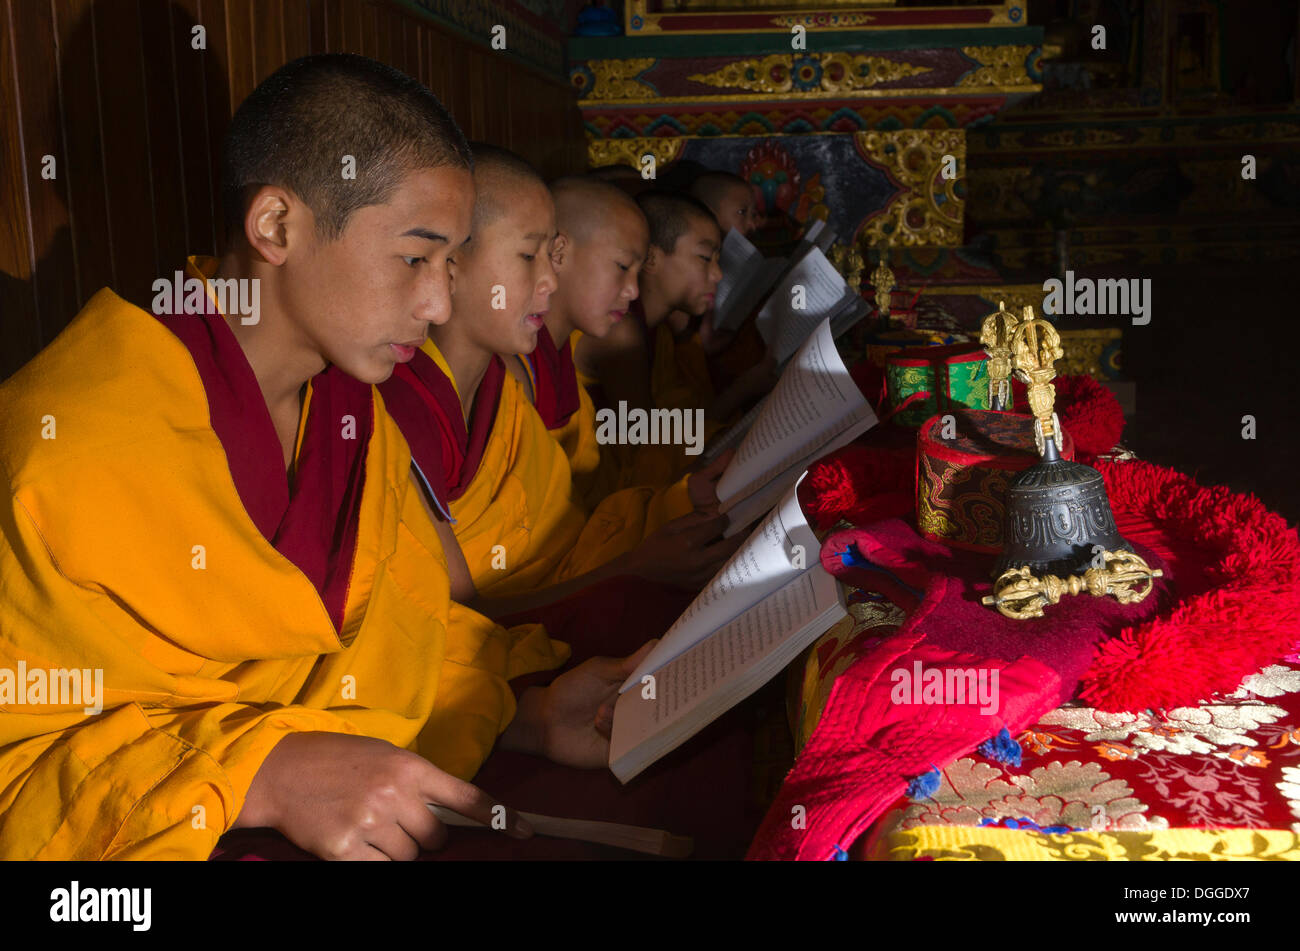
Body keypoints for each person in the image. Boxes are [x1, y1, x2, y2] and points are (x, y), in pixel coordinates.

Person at [0, 54, 653, 861]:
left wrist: (532, 713)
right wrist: (258, 772)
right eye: (414, 257)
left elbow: (404, 640)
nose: (440, 302)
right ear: (276, 225)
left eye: (451, 263)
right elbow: (21, 771)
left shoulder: (353, 415)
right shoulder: (68, 436)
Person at [379, 146, 740, 619]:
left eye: (551, 256)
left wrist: (678, 499)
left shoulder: (503, 386)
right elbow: (460, 618)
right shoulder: (397, 407)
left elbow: (561, 532)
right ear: (449, 260)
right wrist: (632, 569)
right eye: (531, 255)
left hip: (546, 594)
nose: (551, 279)